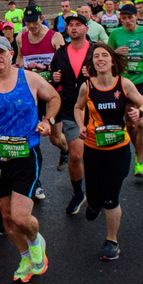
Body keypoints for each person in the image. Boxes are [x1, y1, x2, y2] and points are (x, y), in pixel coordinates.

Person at [0, 36, 60, 283]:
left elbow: (54, 98)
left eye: (2, 52)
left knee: (20, 217)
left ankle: (36, 240)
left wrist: (46, 121)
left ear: (10, 54)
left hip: (25, 154)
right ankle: (25, 256)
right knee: (6, 216)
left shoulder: (28, 78)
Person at [72, 44, 143, 261]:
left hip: (118, 149)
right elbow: (78, 107)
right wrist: (81, 125)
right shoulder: (87, 87)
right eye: (96, 56)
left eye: (104, 55)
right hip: (93, 148)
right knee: (95, 191)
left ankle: (111, 241)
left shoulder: (124, 84)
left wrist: (138, 111)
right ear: (92, 64)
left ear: (113, 60)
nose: (100, 59)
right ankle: (94, 201)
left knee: (111, 195)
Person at [48, 12, 95, 211]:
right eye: (70, 25)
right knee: (76, 155)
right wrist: (55, 77)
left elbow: (112, 74)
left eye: (78, 25)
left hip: (95, 109)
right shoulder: (60, 53)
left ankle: (98, 189)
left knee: (95, 156)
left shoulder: (96, 50)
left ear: (86, 28)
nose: (74, 28)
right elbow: (53, 74)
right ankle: (78, 193)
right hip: (69, 109)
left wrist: (93, 74)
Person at [106, 5, 143, 179]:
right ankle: (139, 150)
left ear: (137, 17)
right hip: (125, 84)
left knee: (142, 122)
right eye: (124, 18)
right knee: (130, 124)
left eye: (130, 17)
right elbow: (105, 56)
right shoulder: (115, 34)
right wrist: (114, 53)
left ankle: (139, 162)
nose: (127, 21)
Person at [17, 6, 63, 75]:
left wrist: (45, 67)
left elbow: (63, 63)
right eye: (28, 22)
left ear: (41, 19)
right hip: (30, 82)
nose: (31, 25)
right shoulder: (20, 38)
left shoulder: (56, 37)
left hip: (51, 83)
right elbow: (20, 58)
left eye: (34, 21)